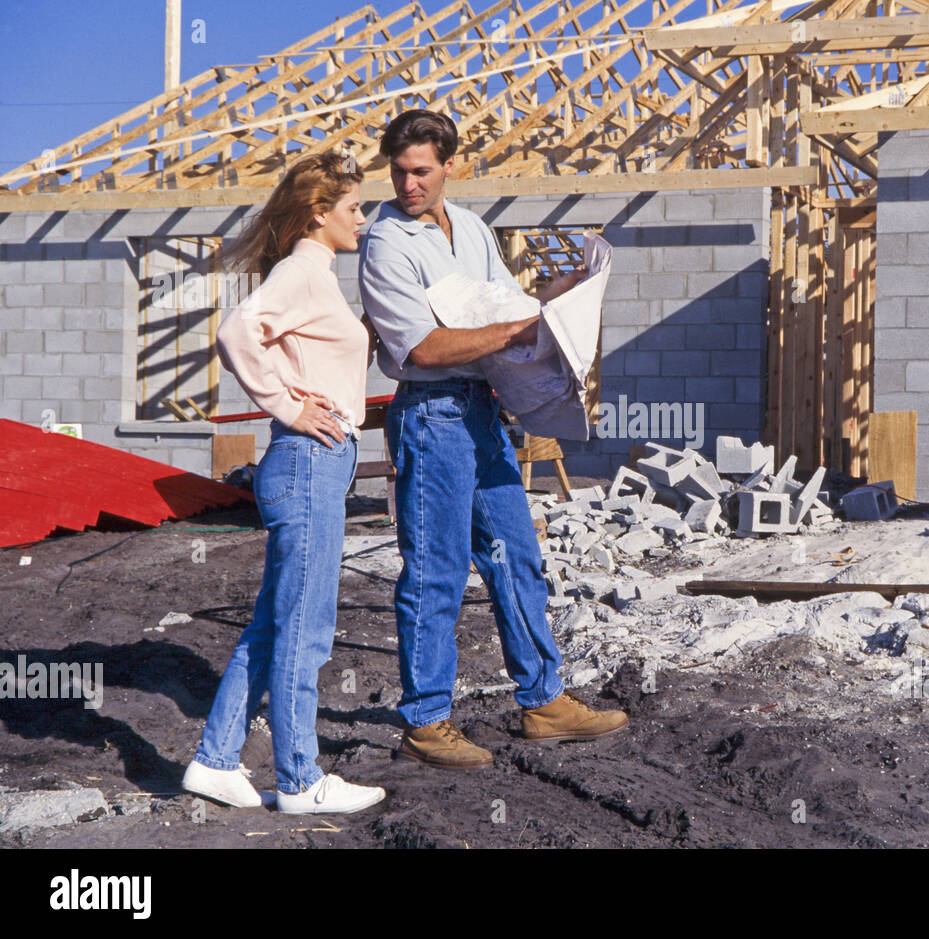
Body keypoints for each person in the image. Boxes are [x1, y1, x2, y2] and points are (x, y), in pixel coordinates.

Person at [359, 110, 627, 770]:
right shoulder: (385, 242)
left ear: (451, 165)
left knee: (517, 557)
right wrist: (515, 332)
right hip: (430, 415)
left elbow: (509, 308)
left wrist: (567, 291)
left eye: (421, 170)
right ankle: (425, 720)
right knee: (437, 571)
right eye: (399, 171)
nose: (409, 182)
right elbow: (421, 346)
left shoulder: (472, 230)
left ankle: (544, 700)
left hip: (480, 413)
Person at [182, 151, 387, 814]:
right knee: (307, 624)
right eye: (354, 206)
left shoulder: (317, 277)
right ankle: (299, 777)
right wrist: (286, 403)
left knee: (275, 622)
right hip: (306, 460)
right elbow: (236, 331)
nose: (363, 216)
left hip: (310, 461)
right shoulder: (303, 271)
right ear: (319, 213)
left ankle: (215, 760)